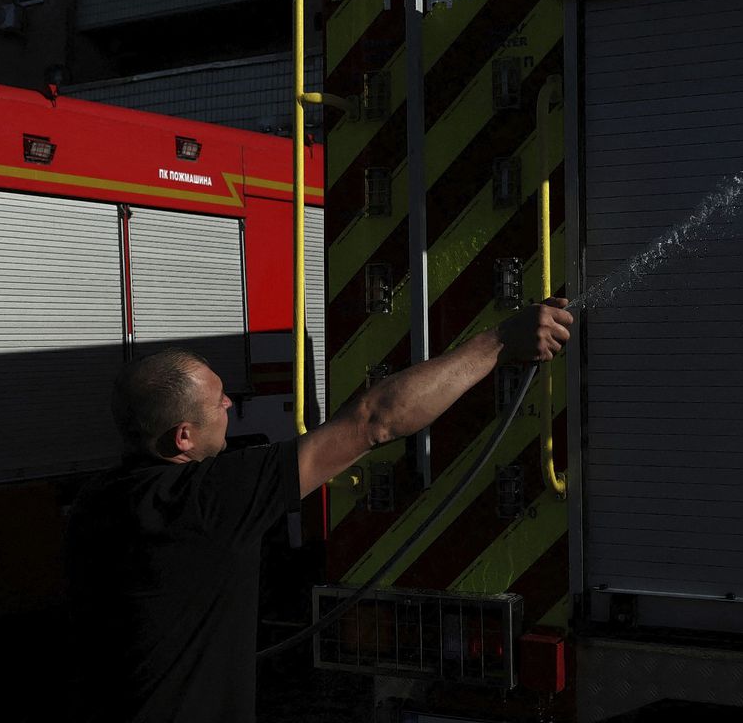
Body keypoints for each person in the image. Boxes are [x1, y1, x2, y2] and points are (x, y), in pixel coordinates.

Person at [65, 300, 573, 722]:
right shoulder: (210, 500)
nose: (230, 405)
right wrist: (500, 342)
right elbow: (375, 421)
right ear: (183, 437)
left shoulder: (94, 503)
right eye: (219, 402)